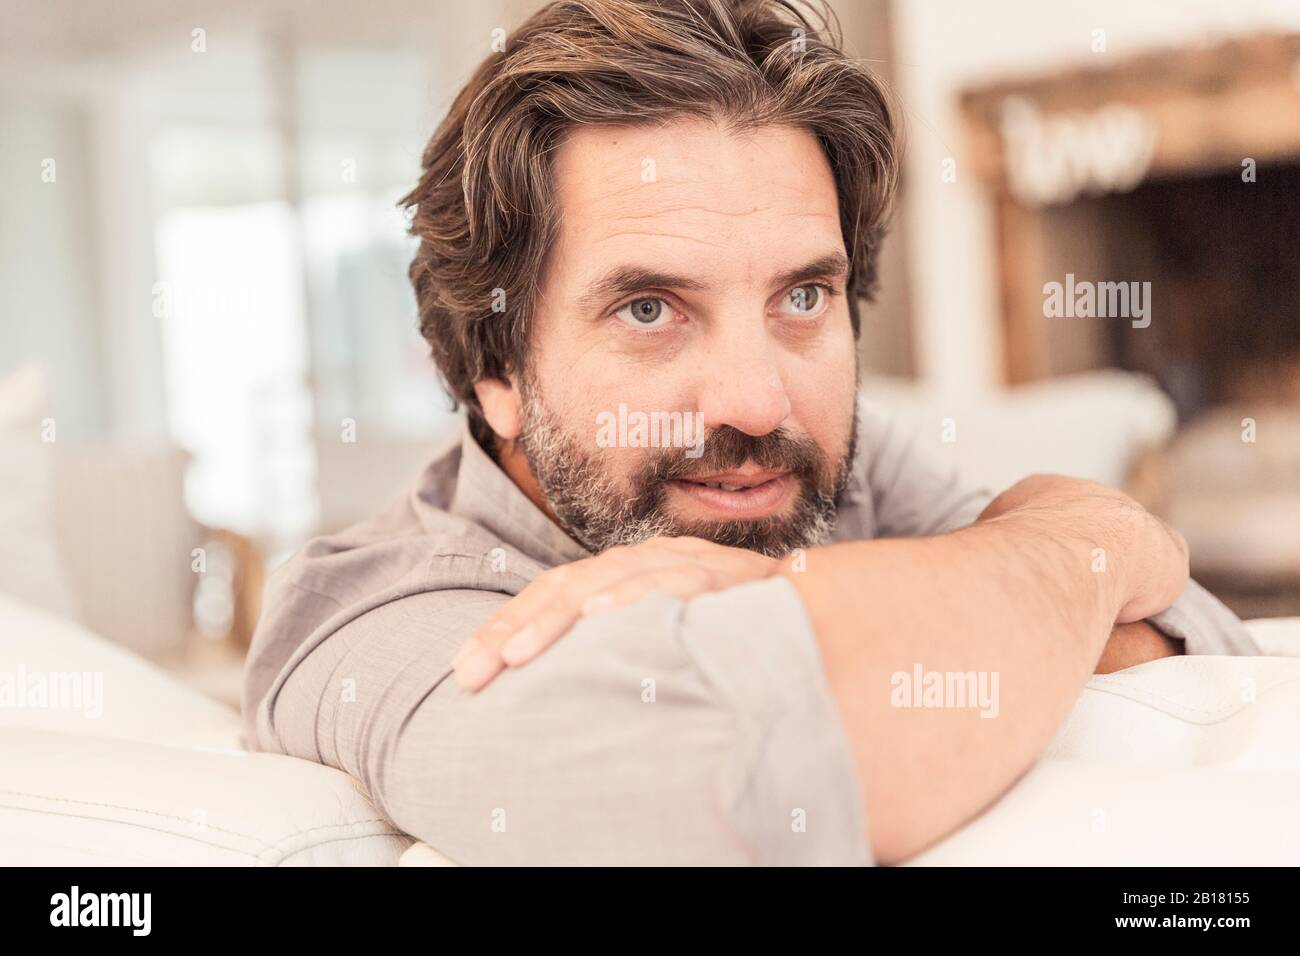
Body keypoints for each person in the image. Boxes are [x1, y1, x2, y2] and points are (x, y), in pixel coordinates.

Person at [241, 0, 1258, 865]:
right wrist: (1081, 541)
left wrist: (822, 601)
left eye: (802, 294)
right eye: (648, 307)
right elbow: (757, 774)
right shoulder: (357, 615)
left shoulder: (812, 471)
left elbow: (1199, 658)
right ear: (494, 370)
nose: (756, 401)